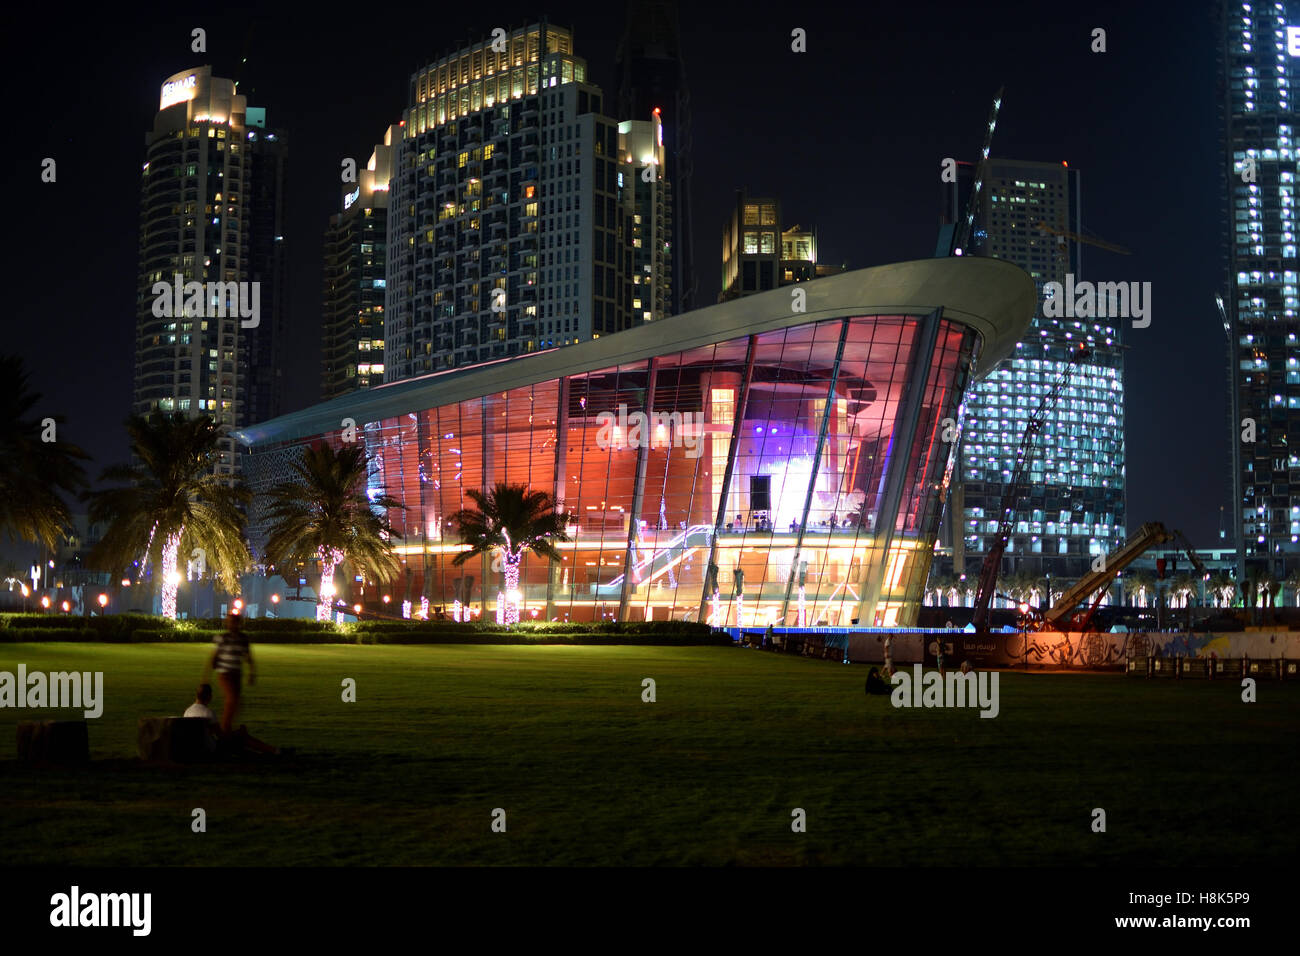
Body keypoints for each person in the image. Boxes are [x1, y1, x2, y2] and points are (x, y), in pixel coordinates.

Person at [205, 611, 256, 735]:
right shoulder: (222, 638)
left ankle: (227, 728)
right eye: (228, 622)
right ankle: (225, 729)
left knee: (236, 701)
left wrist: (252, 673)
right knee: (232, 699)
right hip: (225, 674)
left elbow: (248, 657)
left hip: (236, 674)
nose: (230, 624)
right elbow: (213, 657)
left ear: (238, 623)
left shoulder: (243, 639)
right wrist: (207, 677)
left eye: (232, 622)